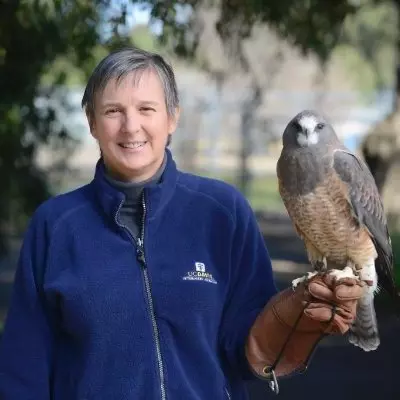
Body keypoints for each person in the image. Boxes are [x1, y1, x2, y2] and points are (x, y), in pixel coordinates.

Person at [0, 47, 364, 400]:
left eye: (147, 109)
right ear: (92, 122)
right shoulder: (54, 227)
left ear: (172, 117)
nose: (131, 127)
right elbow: (24, 366)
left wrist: (282, 331)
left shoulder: (223, 211)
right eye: (113, 111)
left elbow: (247, 349)